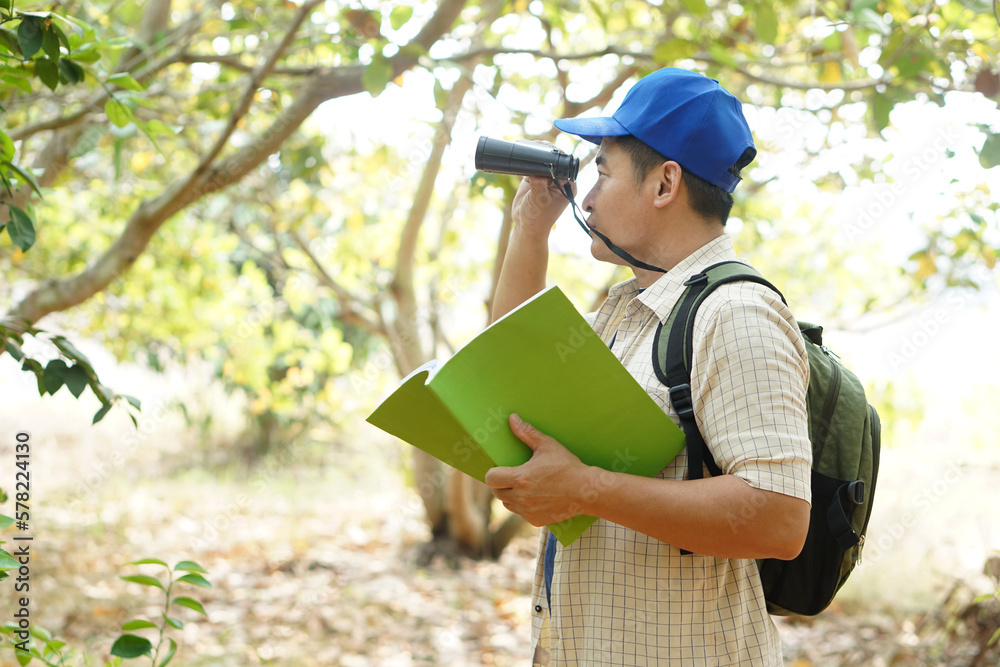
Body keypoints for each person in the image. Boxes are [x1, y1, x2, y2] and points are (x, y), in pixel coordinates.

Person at [483, 68, 813, 665]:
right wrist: (531, 230)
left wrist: (584, 488)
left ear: (664, 185)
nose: (585, 197)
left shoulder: (736, 313)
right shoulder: (628, 310)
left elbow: (780, 517)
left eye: (603, 174)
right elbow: (511, 376)